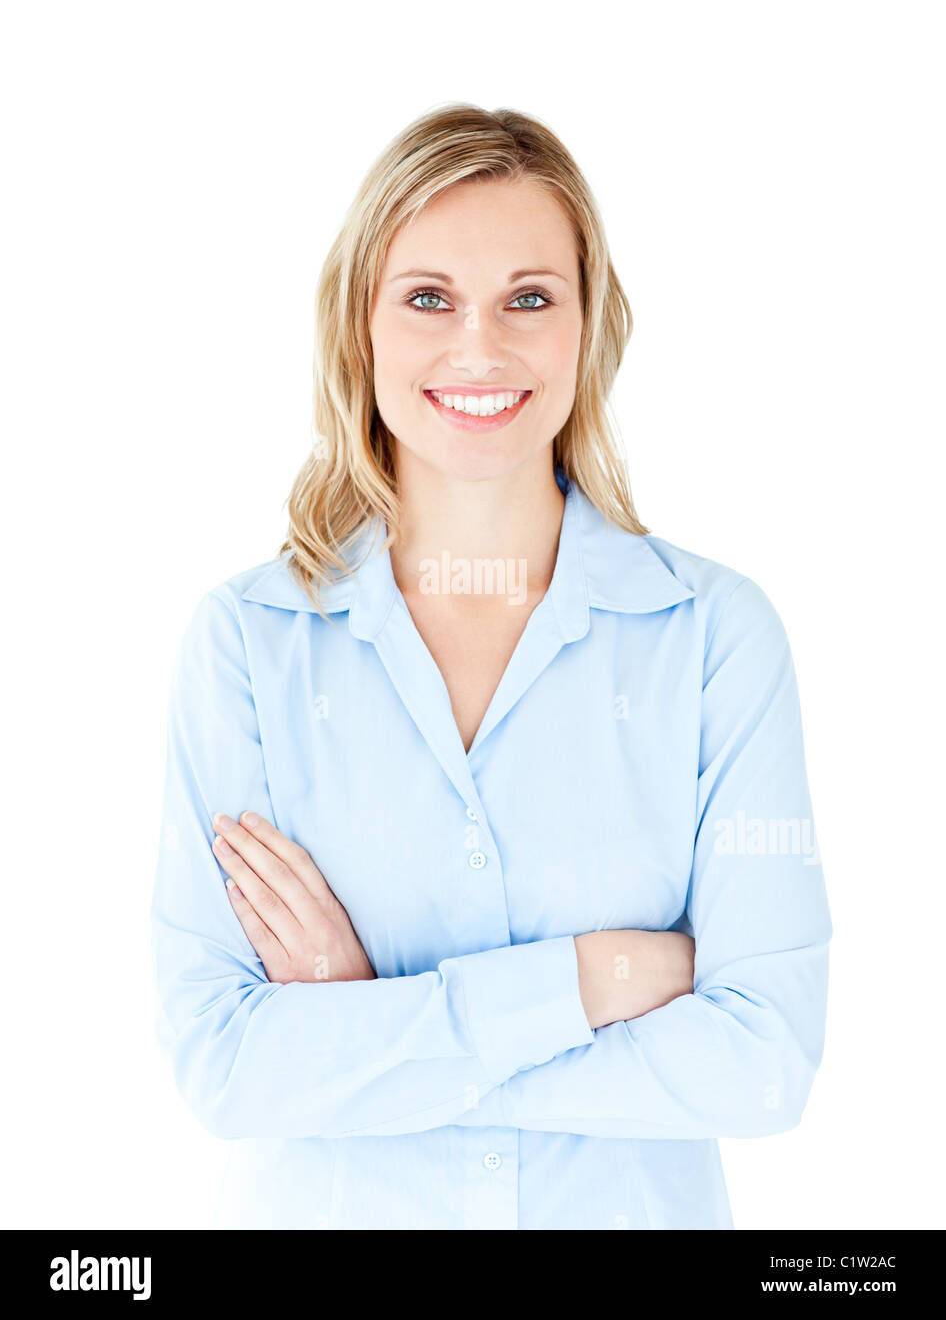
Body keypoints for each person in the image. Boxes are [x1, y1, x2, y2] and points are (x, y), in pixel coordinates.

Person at [150, 102, 832, 1230]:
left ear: (586, 327)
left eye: (528, 297)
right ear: (359, 327)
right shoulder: (247, 644)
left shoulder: (715, 635)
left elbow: (762, 1062)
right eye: (428, 298)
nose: (480, 345)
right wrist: (586, 984)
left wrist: (374, 1025)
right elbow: (223, 1065)